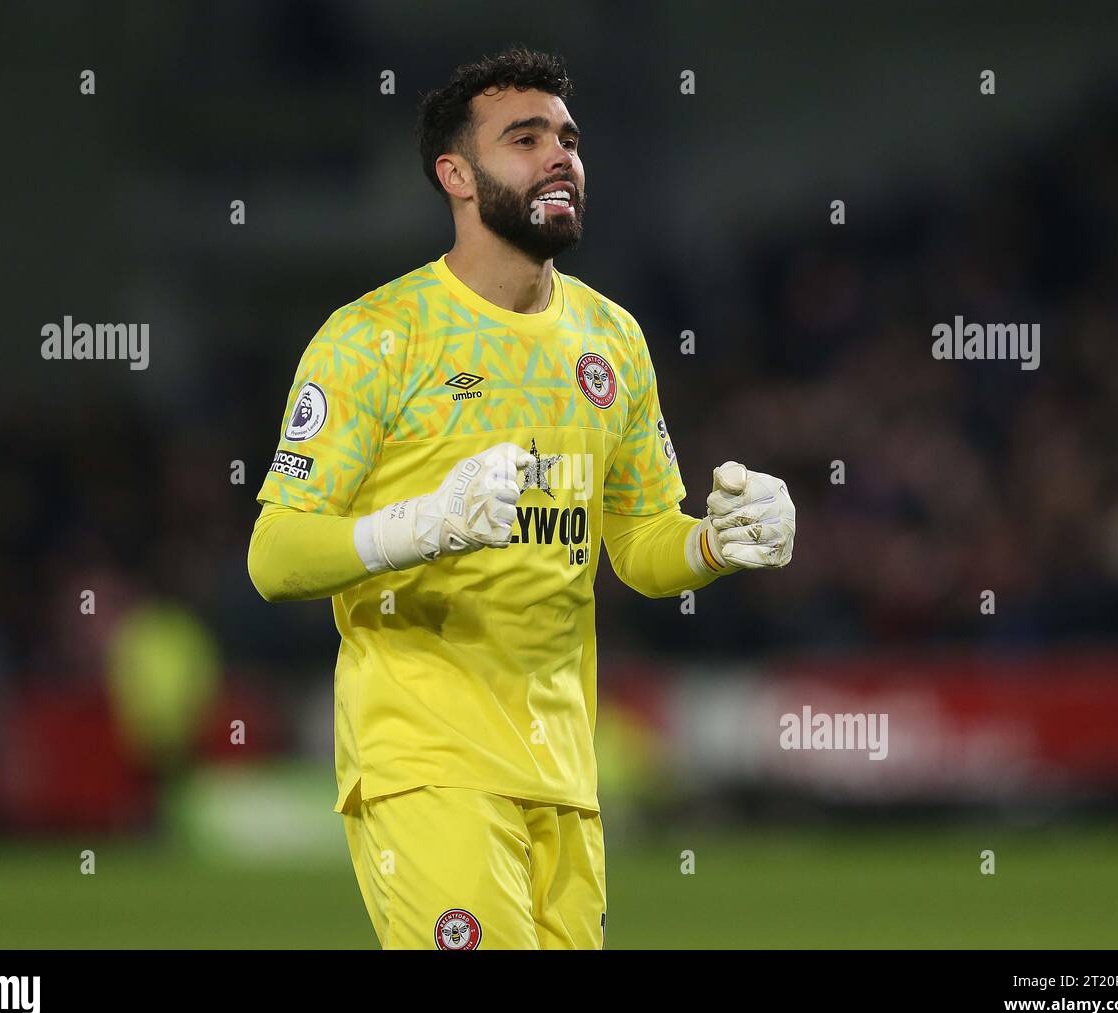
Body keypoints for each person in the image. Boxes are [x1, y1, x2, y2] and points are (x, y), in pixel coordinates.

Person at [247, 46, 795, 950]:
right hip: (426, 761)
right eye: (525, 137)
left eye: (570, 139)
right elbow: (274, 555)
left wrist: (713, 543)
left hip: (565, 774)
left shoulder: (611, 339)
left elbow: (639, 543)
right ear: (454, 175)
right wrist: (419, 526)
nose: (560, 158)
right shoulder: (374, 338)